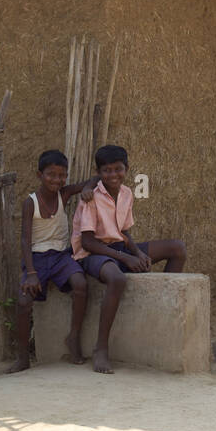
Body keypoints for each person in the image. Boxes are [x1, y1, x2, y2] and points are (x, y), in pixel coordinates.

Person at [75, 144, 186, 374]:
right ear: (98, 172)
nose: (113, 175)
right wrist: (124, 259)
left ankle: (163, 319)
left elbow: (124, 232)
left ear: (127, 169)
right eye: (106, 171)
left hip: (118, 248)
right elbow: (87, 242)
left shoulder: (126, 194)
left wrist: (137, 253)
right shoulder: (91, 197)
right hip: (92, 254)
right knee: (117, 279)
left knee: (177, 248)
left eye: (118, 169)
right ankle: (101, 348)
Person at [6, 150, 97, 374]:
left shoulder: (63, 194)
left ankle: (73, 338)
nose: (57, 180)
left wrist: (86, 188)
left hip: (61, 257)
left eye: (62, 175)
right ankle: (22, 356)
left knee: (80, 284)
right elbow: (25, 240)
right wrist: (31, 272)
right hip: (37, 258)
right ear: (39, 175)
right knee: (24, 301)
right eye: (51, 175)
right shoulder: (31, 203)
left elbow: (94, 180)